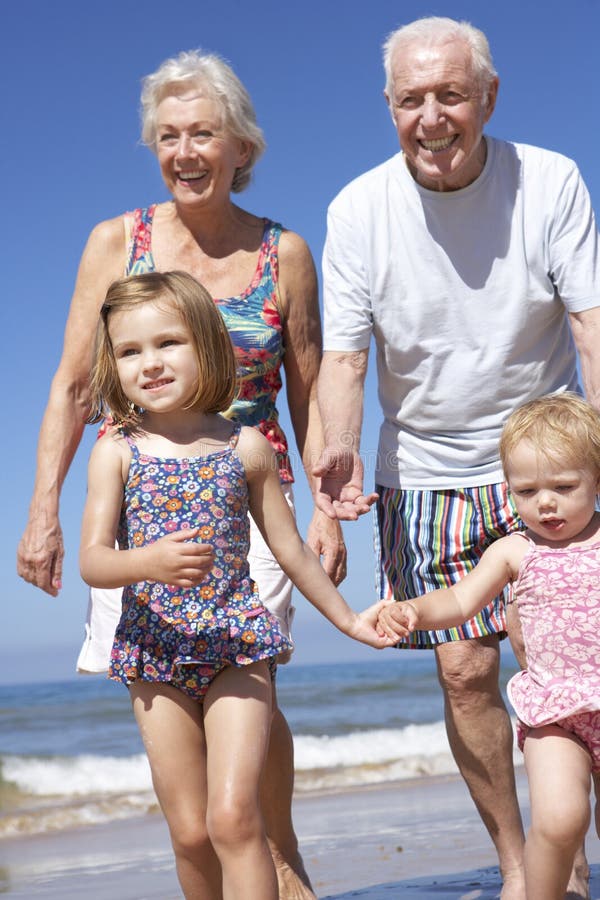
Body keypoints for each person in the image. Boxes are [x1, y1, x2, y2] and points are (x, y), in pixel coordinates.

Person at [16, 49, 346, 899]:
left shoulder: (284, 252)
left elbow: (306, 384)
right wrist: (44, 510)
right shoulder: (114, 242)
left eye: (204, 132)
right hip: (141, 505)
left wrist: (327, 510)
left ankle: (276, 852)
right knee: (184, 770)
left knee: (253, 692)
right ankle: (239, 852)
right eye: (169, 136)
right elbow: (72, 383)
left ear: (243, 145)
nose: (186, 150)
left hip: (250, 482)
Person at [314, 15, 600, 899]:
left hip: (546, 456)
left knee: (580, 653)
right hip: (426, 466)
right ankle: (526, 865)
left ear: (488, 97)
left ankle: (571, 850)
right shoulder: (359, 208)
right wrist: (336, 472)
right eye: (411, 99)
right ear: (389, 106)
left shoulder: (547, 179)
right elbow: (344, 356)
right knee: (466, 667)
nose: (431, 117)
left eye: (449, 95)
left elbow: (590, 319)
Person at [80, 270, 389, 900]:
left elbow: (293, 553)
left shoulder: (245, 447)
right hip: (155, 652)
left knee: (234, 818)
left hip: (238, 646)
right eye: (130, 351)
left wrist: (351, 621)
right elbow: (93, 560)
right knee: (192, 833)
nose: (151, 363)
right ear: (113, 365)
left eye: (168, 342)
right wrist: (147, 562)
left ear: (208, 346)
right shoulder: (116, 451)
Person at [377, 393, 600, 900]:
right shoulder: (514, 551)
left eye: (564, 487)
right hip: (554, 713)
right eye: (527, 491)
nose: (545, 502)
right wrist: (414, 611)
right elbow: (459, 600)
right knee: (560, 820)